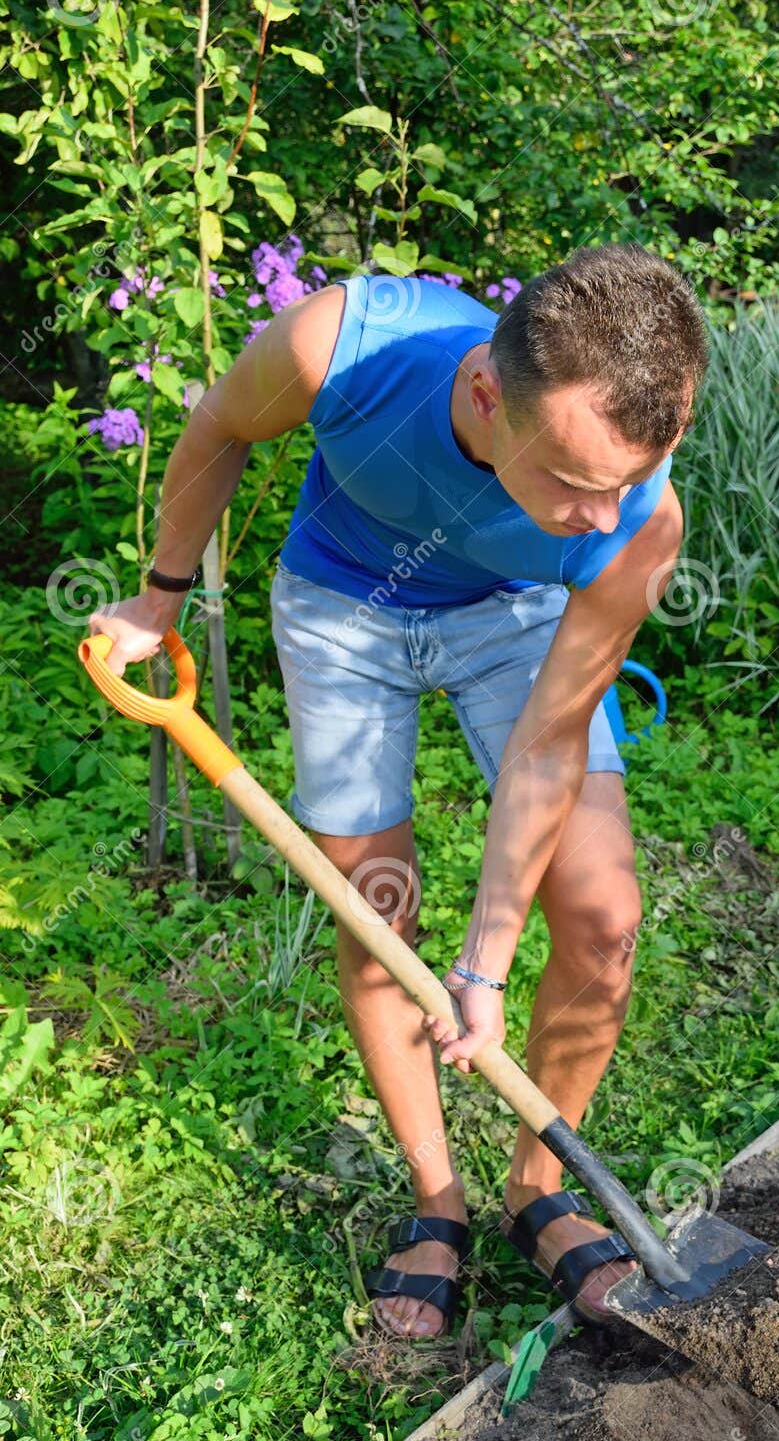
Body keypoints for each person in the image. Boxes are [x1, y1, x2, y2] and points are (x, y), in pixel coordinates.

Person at [91, 242, 710, 1340]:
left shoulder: (635, 520)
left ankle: (537, 1188)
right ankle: (439, 1200)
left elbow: (547, 743)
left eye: (622, 486)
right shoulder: (345, 345)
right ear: (485, 390)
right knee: (374, 911)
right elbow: (222, 428)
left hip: (515, 615)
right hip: (342, 605)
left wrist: (484, 963)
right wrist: (159, 596)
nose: (604, 518)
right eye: (574, 484)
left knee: (603, 914)